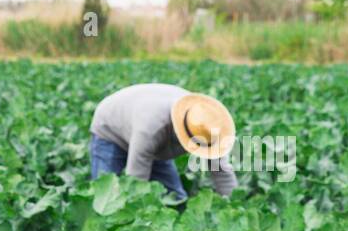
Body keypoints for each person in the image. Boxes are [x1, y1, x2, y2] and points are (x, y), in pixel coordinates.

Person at [89, 84, 237, 202]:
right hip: (110, 127)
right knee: (105, 198)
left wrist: (232, 205)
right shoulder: (151, 130)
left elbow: (222, 173)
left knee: (177, 199)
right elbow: (136, 182)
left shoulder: (207, 126)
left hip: (151, 136)